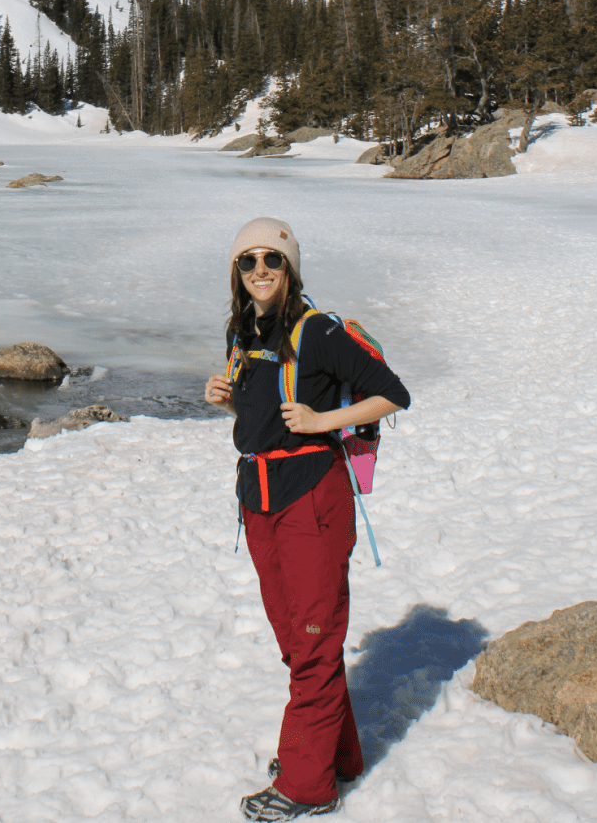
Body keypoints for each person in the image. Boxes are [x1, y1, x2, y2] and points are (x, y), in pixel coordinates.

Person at [204, 218, 408, 820]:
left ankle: (307, 786)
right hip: (260, 497)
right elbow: (265, 415)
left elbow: (393, 393)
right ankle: (333, 756)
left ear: (290, 267)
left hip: (313, 499)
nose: (261, 270)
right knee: (298, 641)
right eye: (249, 261)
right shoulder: (246, 331)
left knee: (315, 642)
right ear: (236, 273)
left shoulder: (316, 331)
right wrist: (232, 401)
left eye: (273, 259)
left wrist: (323, 422)